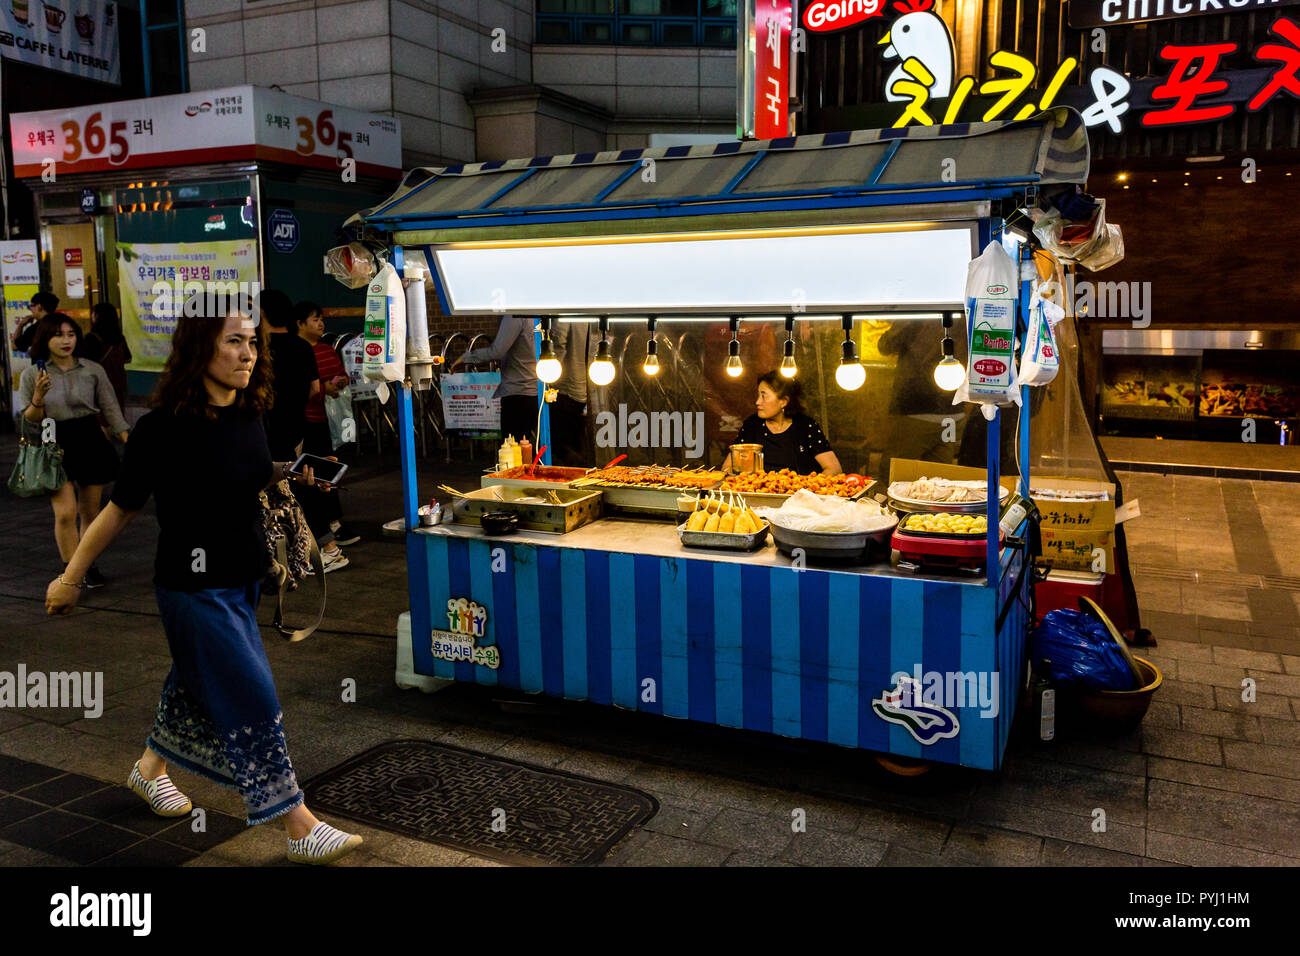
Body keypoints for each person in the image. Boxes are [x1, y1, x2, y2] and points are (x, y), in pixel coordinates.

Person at [43, 296, 363, 865]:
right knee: (251, 692)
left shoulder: (249, 413)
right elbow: (119, 509)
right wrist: (69, 578)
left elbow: (246, 474)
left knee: (193, 687)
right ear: (199, 347)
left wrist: (290, 473)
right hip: (192, 589)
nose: (247, 353)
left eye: (252, 341)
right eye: (233, 341)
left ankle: (149, 769)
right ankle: (297, 823)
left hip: (242, 578)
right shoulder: (160, 429)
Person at [18, 314, 129, 589]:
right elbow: (28, 420)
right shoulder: (34, 374)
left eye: (71, 334)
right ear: (45, 339)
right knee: (65, 512)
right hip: (52, 438)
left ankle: (87, 564)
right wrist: (38, 397)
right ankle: (71, 573)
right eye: (58, 335)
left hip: (88, 437)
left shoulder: (91, 369)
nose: (66, 340)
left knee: (90, 512)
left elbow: (111, 410)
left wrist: (130, 441)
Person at [293, 300, 357, 570]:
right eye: (314, 319)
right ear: (299, 323)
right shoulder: (297, 351)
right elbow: (304, 388)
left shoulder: (326, 350)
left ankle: (332, 527)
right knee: (309, 478)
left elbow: (341, 376)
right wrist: (323, 388)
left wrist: (339, 382)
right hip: (303, 421)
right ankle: (327, 538)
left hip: (324, 420)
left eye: (322, 319)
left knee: (324, 473)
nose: (321, 324)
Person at [721, 372, 842, 475]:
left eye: (764, 396)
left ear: (783, 402)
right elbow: (727, 468)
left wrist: (809, 489)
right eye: (758, 395)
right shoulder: (752, 425)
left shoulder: (805, 426)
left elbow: (834, 469)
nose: (757, 402)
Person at [452, 314, 538, 445]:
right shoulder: (537, 313)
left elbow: (497, 351)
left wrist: (465, 358)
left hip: (516, 392)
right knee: (528, 447)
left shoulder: (515, 316)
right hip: (537, 391)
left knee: (511, 451)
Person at [258, 289, 319, 462]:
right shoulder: (304, 346)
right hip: (296, 427)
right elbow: (315, 389)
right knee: (292, 476)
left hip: (264, 430)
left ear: (261, 313)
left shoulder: (257, 346)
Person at [549, 320, 591, 465]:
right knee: (577, 439)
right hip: (589, 383)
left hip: (567, 386)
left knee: (559, 443)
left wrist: (550, 375)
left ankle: (574, 474)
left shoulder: (566, 305)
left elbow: (558, 341)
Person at [81, 302, 133, 415]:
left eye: (93, 313)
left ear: (97, 316)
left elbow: (85, 363)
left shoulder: (92, 338)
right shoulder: (119, 337)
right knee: (117, 415)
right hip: (118, 384)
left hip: (99, 385)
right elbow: (128, 358)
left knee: (102, 419)